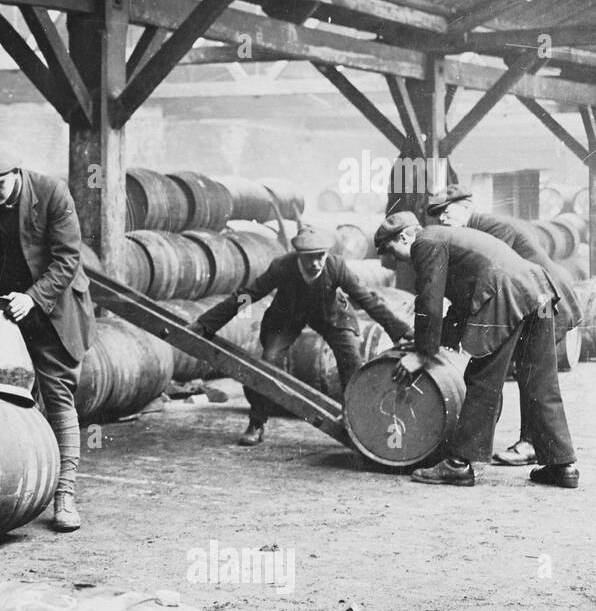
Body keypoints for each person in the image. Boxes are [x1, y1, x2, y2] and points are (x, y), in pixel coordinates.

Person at [0, 140, 95, 532]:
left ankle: (64, 494)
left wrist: (33, 299)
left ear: (16, 173)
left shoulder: (51, 193)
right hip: (2, 308)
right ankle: (12, 489)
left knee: (58, 395)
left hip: (53, 309)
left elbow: (68, 259)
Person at [374, 211, 577, 488]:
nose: (398, 260)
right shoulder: (449, 239)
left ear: (405, 236)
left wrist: (422, 354)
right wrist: (428, 341)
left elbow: (429, 302)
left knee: (482, 376)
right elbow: (461, 305)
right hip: (538, 290)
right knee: (540, 380)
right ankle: (562, 465)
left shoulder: (425, 242)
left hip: (508, 293)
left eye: (394, 251)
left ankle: (459, 465)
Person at [194, 225, 413, 446]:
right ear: (299, 255)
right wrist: (207, 323)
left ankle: (358, 425)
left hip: (331, 315)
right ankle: (256, 423)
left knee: (352, 361)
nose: (317, 263)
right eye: (310, 258)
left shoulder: (336, 266)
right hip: (288, 317)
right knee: (269, 363)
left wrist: (401, 330)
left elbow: (368, 301)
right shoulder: (282, 266)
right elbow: (247, 296)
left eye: (321, 256)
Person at [427, 183, 584, 466]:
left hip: (545, 300)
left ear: (467, 207)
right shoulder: (478, 228)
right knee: (533, 371)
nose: (442, 220)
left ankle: (529, 443)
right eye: (437, 216)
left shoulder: (491, 227)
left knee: (527, 369)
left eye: (447, 212)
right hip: (538, 297)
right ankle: (536, 446)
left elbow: (494, 284)